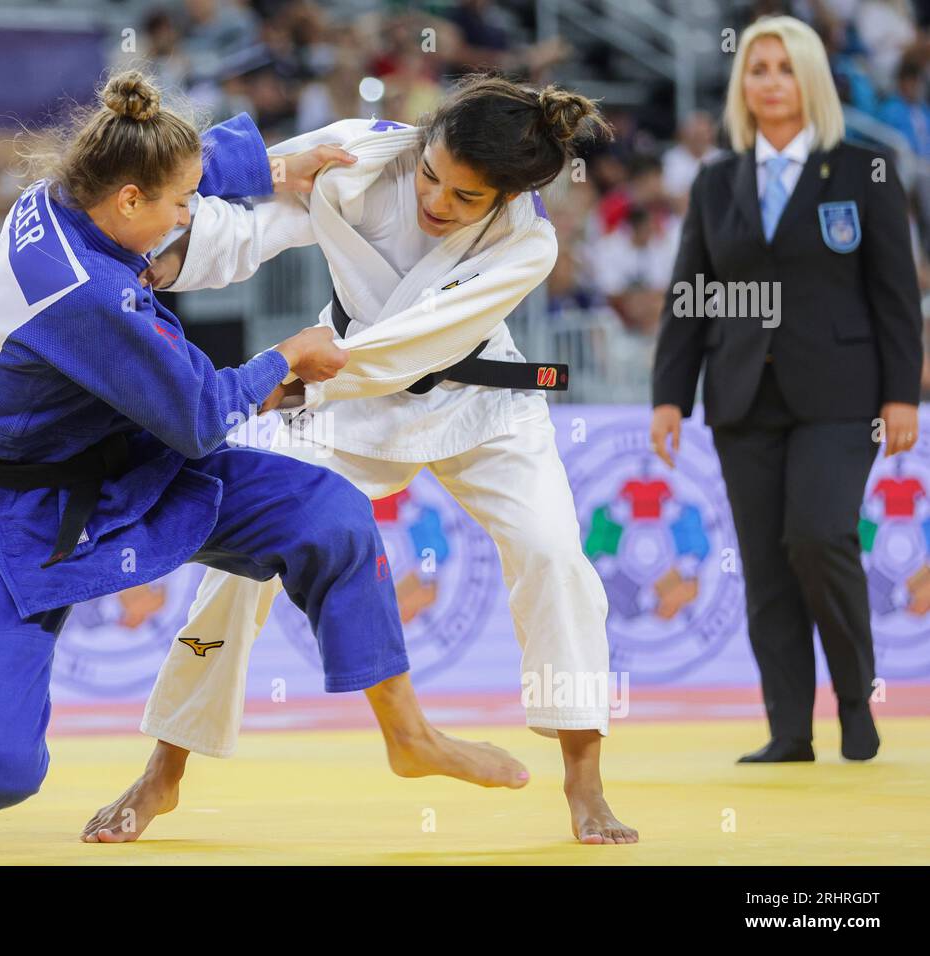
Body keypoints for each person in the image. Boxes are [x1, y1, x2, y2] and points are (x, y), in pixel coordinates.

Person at [0, 71, 526, 819]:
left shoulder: (64, 195)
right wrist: (285, 358)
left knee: (333, 516)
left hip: (125, 460)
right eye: (181, 205)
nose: (189, 217)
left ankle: (410, 736)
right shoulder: (88, 294)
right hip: (4, 518)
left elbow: (172, 167)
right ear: (129, 202)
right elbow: (203, 415)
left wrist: (271, 168)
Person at [85, 73, 639, 846]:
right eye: (431, 174)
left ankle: (584, 780)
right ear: (424, 141)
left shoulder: (528, 243)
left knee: (555, 557)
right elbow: (265, 214)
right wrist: (171, 261)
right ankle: (164, 770)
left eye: (467, 197)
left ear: (510, 197)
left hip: (479, 406)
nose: (437, 200)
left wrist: (287, 383)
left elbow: (416, 343)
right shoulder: (363, 155)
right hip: (347, 406)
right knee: (238, 570)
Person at [651, 16, 923, 763]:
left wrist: (903, 392)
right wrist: (669, 395)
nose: (769, 81)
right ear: (742, 84)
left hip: (843, 396)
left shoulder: (867, 169)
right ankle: (790, 731)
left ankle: (857, 704)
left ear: (812, 79)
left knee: (818, 535)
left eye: (784, 67)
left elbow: (895, 293)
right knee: (767, 568)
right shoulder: (716, 180)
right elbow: (691, 296)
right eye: (757, 68)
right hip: (742, 397)